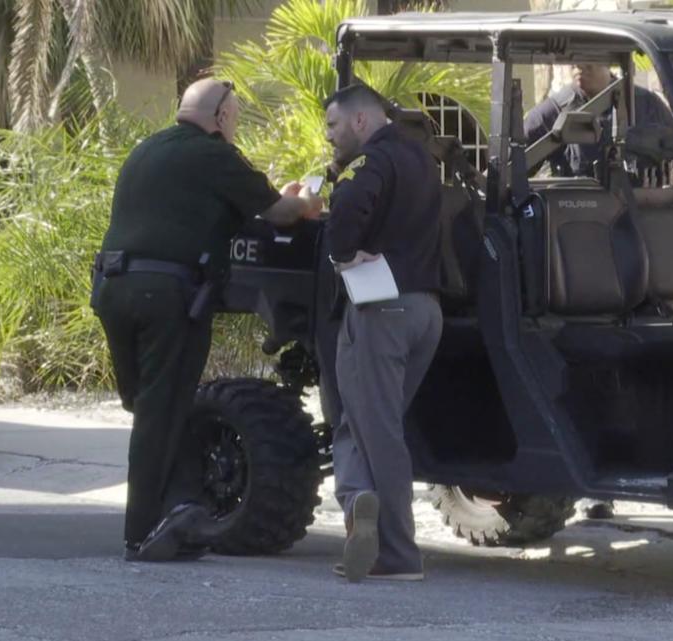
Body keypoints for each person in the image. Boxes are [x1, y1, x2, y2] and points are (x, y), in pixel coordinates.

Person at [93, 78, 323, 562]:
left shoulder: (146, 151)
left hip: (113, 289)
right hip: (167, 295)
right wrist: (305, 201)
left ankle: (180, 507)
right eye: (234, 117)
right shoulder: (215, 155)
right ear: (221, 118)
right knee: (163, 408)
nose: (235, 126)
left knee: (148, 405)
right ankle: (145, 532)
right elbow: (280, 213)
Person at [528, 65, 673, 521]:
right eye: (574, 58)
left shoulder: (647, 107)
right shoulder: (557, 109)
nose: (579, 67)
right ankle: (597, 486)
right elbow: (511, 164)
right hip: (586, 261)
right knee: (592, 372)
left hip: (650, 252)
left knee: (665, 373)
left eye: (588, 59)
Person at [324, 84, 443, 582]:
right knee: (358, 421)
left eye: (333, 125)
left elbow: (346, 212)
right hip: (426, 311)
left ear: (360, 120)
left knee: (379, 432)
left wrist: (342, 254)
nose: (329, 136)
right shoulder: (422, 158)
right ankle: (357, 500)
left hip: (380, 309)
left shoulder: (370, 161)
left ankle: (396, 553)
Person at [524, 63, 673, 187]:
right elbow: (514, 174)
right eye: (573, 56)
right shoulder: (553, 112)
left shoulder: (647, 105)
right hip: (579, 222)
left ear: (608, 59)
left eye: (589, 53)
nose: (578, 64)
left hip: (644, 219)